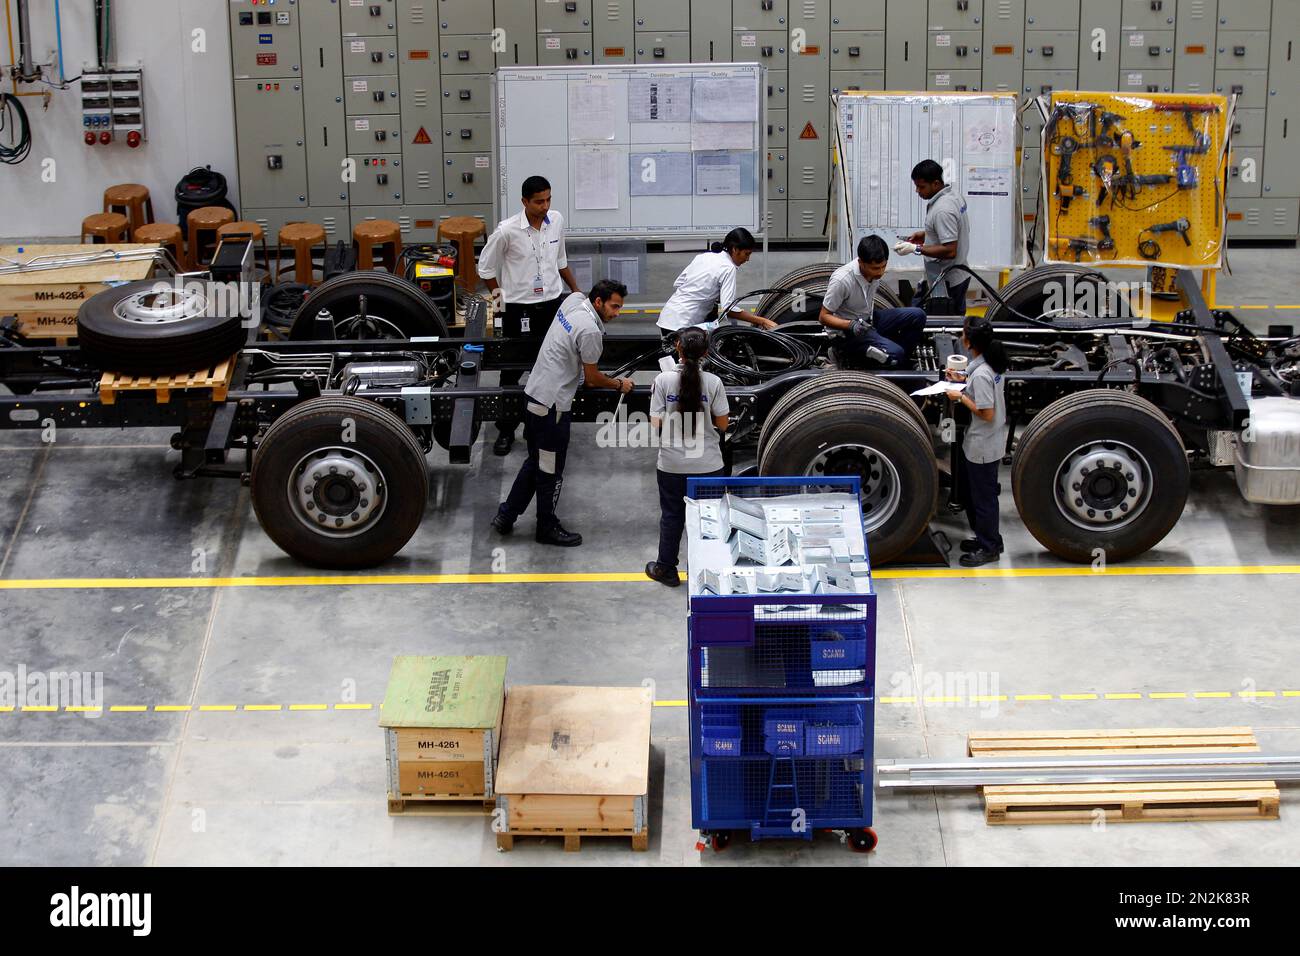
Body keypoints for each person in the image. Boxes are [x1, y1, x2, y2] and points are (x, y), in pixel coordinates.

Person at [491, 280, 634, 547]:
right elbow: (592, 379)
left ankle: (506, 515)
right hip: (552, 409)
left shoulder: (573, 300)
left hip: (534, 394)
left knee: (536, 461)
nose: (617, 313)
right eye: (614, 307)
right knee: (550, 470)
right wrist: (619, 384)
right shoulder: (591, 331)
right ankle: (546, 526)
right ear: (598, 302)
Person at [478, 175, 583, 456]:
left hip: (551, 306)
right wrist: (500, 304)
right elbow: (485, 269)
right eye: (538, 202)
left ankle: (538, 425)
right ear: (524, 202)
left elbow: (560, 261)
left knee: (551, 368)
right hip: (518, 309)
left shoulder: (556, 221)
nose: (545, 206)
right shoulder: (506, 231)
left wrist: (575, 291)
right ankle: (505, 429)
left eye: (548, 199)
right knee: (511, 371)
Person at [644, 327, 730, 588]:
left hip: (671, 464)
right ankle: (708, 574)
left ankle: (666, 569)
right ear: (706, 352)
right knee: (708, 518)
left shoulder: (663, 381)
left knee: (672, 516)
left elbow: (655, 424)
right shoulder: (714, 382)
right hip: (709, 465)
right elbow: (723, 424)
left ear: (677, 347)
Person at [945, 315, 1009, 567]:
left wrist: (959, 397)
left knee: (983, 500)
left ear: (969, 342)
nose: (961, 338)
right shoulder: (990, 363)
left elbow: (987, 412)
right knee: (980, 496)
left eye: (963, 334)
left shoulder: (982, 373)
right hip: (989, 440)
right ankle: (989, 538)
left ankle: (989, 547)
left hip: (983, 444)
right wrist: (963, 382)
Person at [818, 235, 927, 368]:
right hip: (847, 335)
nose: (880, 272)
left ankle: (898, 359)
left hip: (868, 321)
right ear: (860, 263)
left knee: (918, 315)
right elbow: (823, 317)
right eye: (875, 268)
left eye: (883, 266)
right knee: (895, 354)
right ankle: (853, 357)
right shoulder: (842, 280)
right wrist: (851, 325)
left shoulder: (873, 273)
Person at [656, 228, 778, 339]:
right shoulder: (728, 268)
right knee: (690, 361)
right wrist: (762, 321)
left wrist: (709, 295)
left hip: (668, 317)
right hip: (684, 324)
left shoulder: (703, 257)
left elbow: (678, 283)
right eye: (746, 254)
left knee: (672, 362)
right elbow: (728, 309)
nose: (748, 259)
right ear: (735, 249)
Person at [894, 159, 971, 316]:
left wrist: (915, 248)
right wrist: (925, 235)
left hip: (947, 281)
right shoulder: (953, 195)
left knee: (944, 324)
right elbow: (952, 229)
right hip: (952, 274)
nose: (917, 191)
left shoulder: (943, 210)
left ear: (936, 183)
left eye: (921, 187)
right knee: (918, 311)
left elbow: (950, 250)